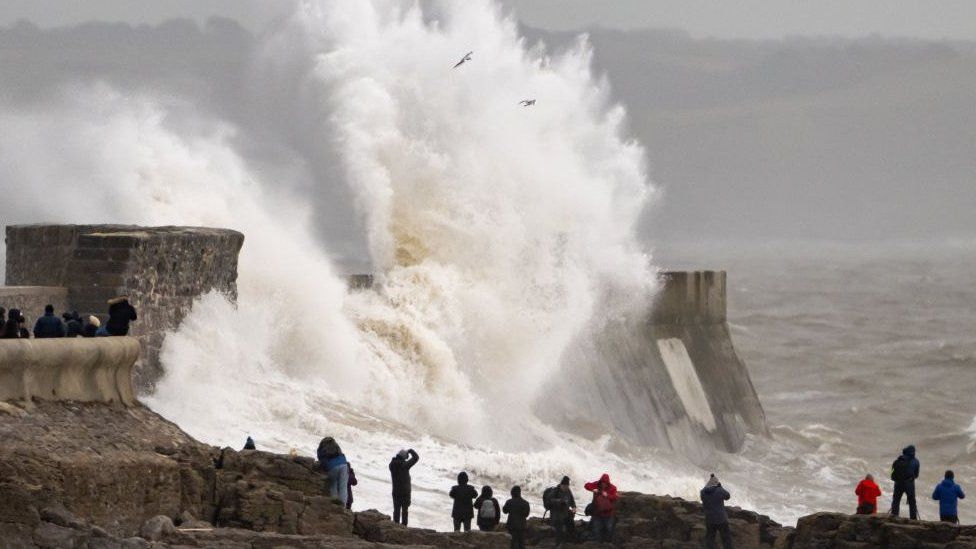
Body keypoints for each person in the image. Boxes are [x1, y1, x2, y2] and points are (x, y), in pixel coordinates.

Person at [700, 474, 734, 549]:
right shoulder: (719, 490)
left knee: (710, 539)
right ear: (716, 484)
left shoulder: (702, 492)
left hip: (709, 519)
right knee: (726, 539)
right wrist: (720, 487)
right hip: (721, 519)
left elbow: (703, 497)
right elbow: (727, 496)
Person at [584, 473, 618, 543]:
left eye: (605, 483)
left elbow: (615, 497)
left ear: (608, 483)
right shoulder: (597, 484)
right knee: (596, 529)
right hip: (597, 513)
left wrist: (607, 495)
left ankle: (608, 543)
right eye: (602, 482)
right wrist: (593, 489)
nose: (603, 484)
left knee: (609, 529)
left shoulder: (613, 488)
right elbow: (586, 485)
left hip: (608, 514)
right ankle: (597, 542)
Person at [389, 448, 419, 525]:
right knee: (405, 511)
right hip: (405, 492)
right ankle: (404, 527)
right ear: (404, 457)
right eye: (406, 457)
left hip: (395, 491)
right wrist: (411, 450)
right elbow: (416, 458)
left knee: (396, 510)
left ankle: (395, 526)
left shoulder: (391, 464)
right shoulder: (404, 465)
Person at [544, 476, 576, 547]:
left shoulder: (568, 490)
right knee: (559, 531)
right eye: (564, 486)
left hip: (565, 514)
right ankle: (558, 545)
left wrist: (574, 507)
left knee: (570, 526)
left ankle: (569, 542)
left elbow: (572, 500)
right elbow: (549, 501)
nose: (565, 488)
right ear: (561, 485)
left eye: (567, 486)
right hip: (556, 515)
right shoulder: (555, 491)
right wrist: (559, 501)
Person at [890, 445, 921, 519]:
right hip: (909, 484)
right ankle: (913, 519)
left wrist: (897, 479)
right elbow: (916, 475)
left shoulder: (897, 461)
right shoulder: (915, 461)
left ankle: (894, 516)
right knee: (912, 502)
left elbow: (892, 473)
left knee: (896, 500)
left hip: (898, 483)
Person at [317, 437, 350, 507]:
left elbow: (321, 461)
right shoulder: (337, 447)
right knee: (343, 487)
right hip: (343, 465)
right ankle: (343, 506)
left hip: (332, 468)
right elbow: (342, 456)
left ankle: (334, 505)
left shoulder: (321, 449)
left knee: (333, 484)